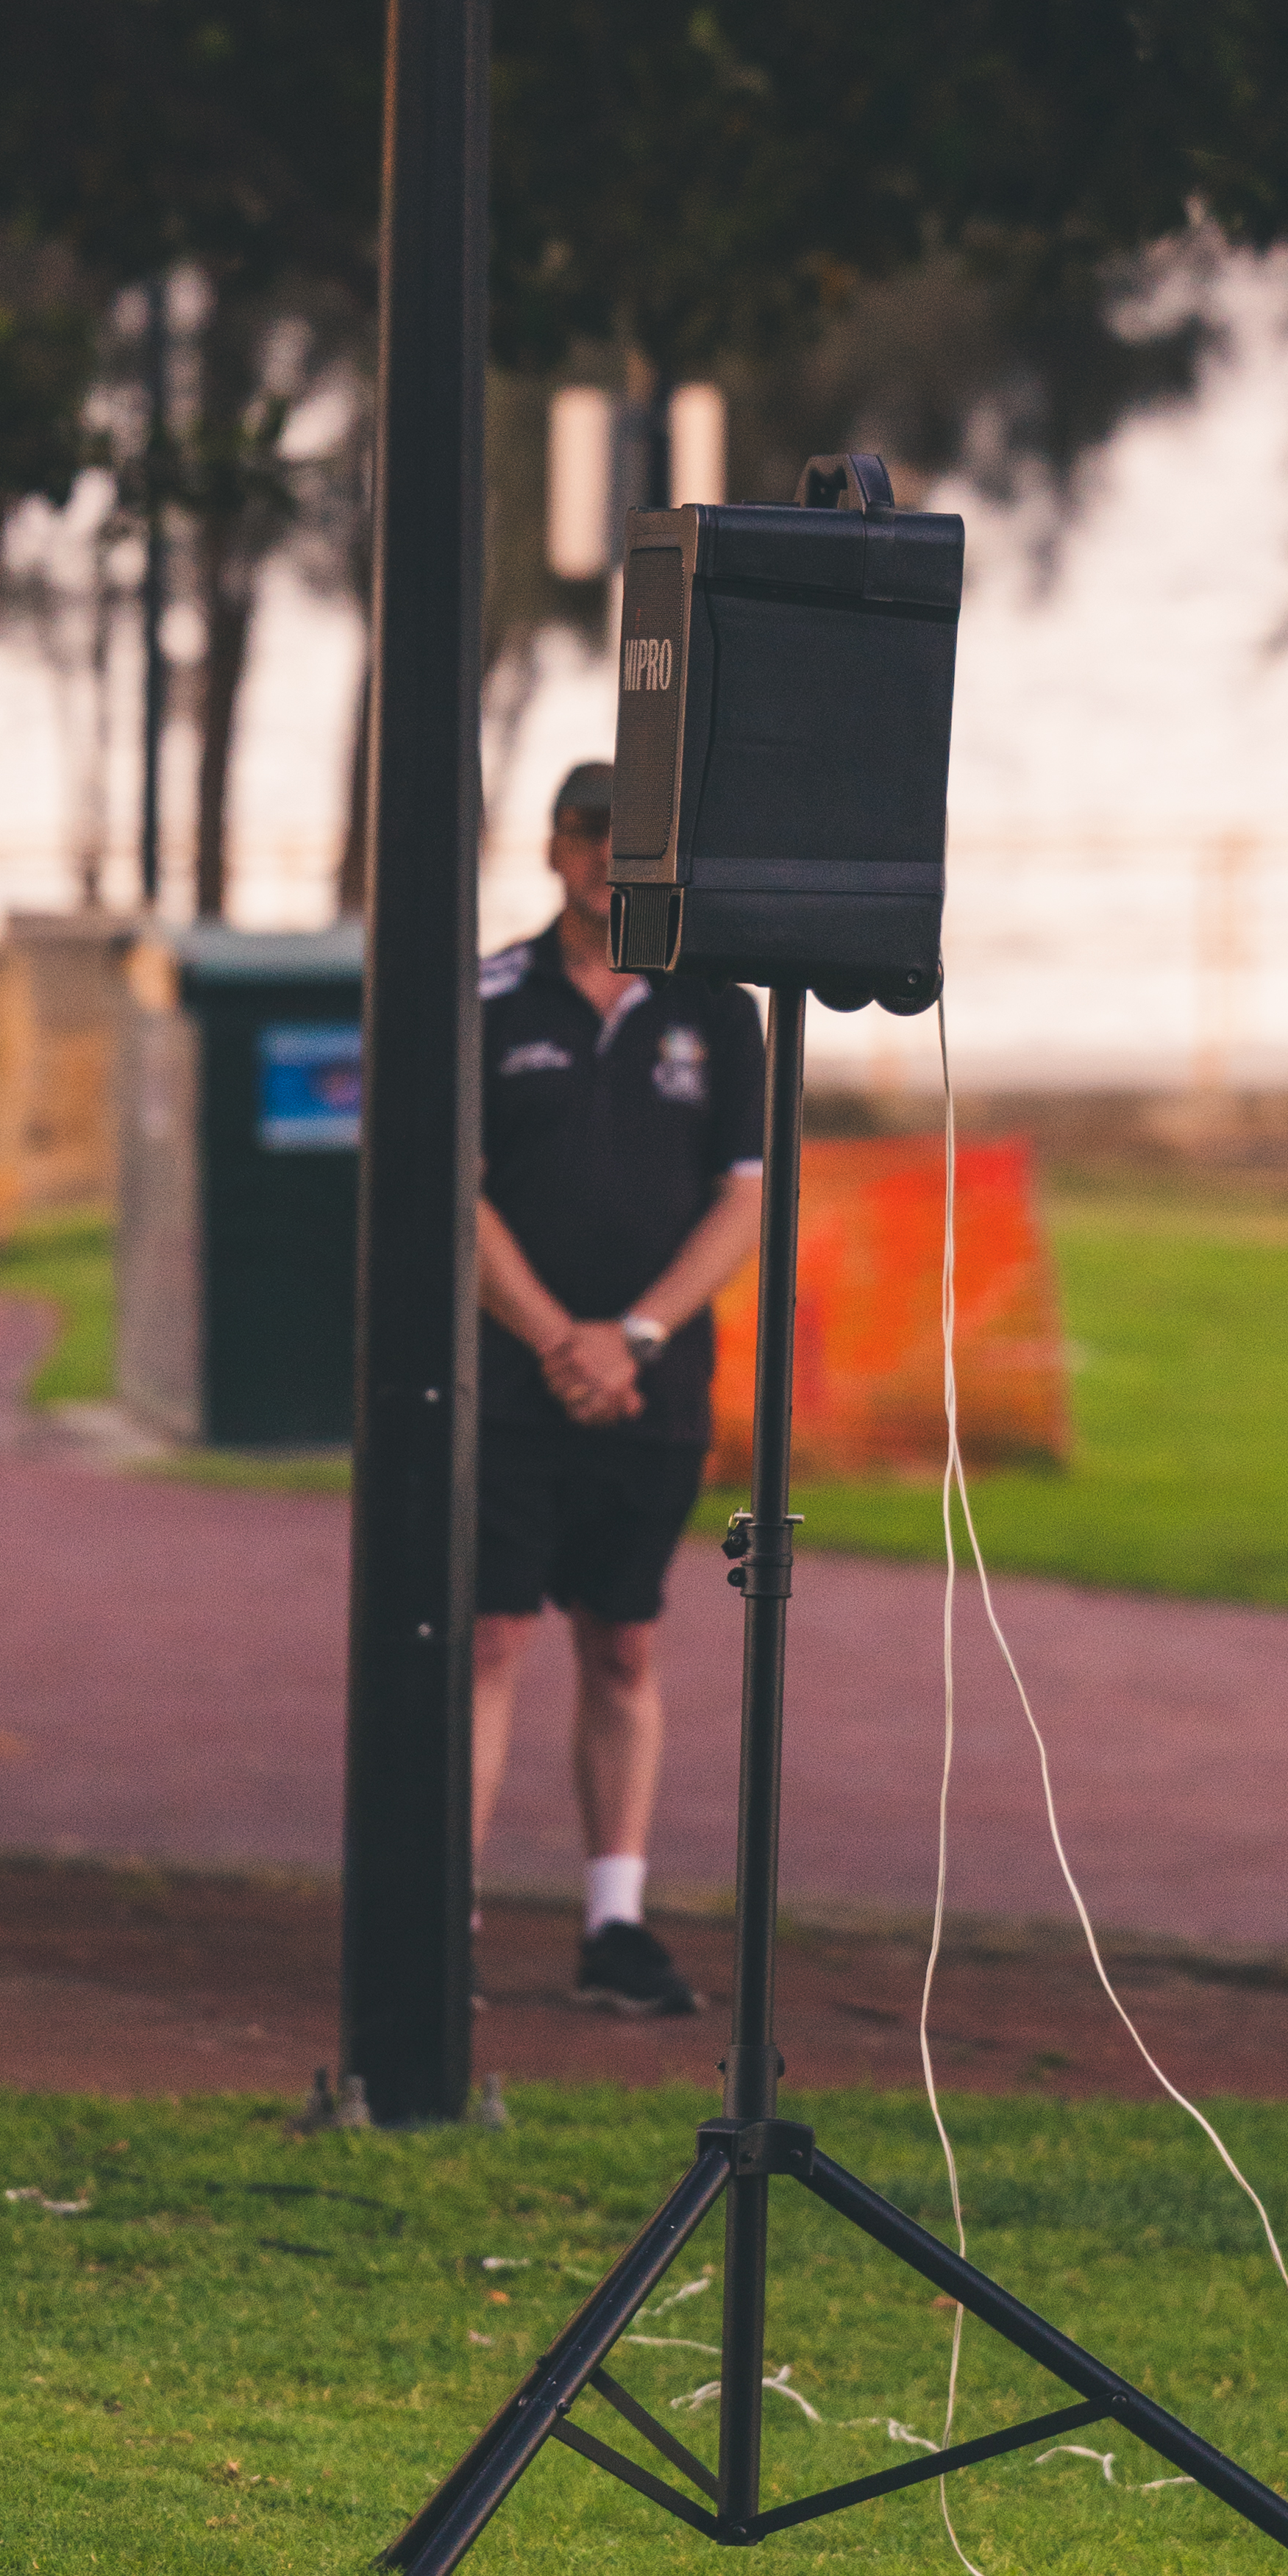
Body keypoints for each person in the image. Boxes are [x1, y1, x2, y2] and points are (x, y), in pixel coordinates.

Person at [472, 757, 766, 2020]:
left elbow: (746, 1195)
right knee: (485, 1636)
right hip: (506, 1379)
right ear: (551, 851)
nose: (606, 859)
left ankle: (616, 1916)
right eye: (587, 835)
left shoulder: (719, 1009)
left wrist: (633, 1337)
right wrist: (556, 1338)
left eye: (629, 837)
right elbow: (451, 1189)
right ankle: (450, 1912)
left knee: (625, 1642)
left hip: (654, 1391)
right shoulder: (487, 998)